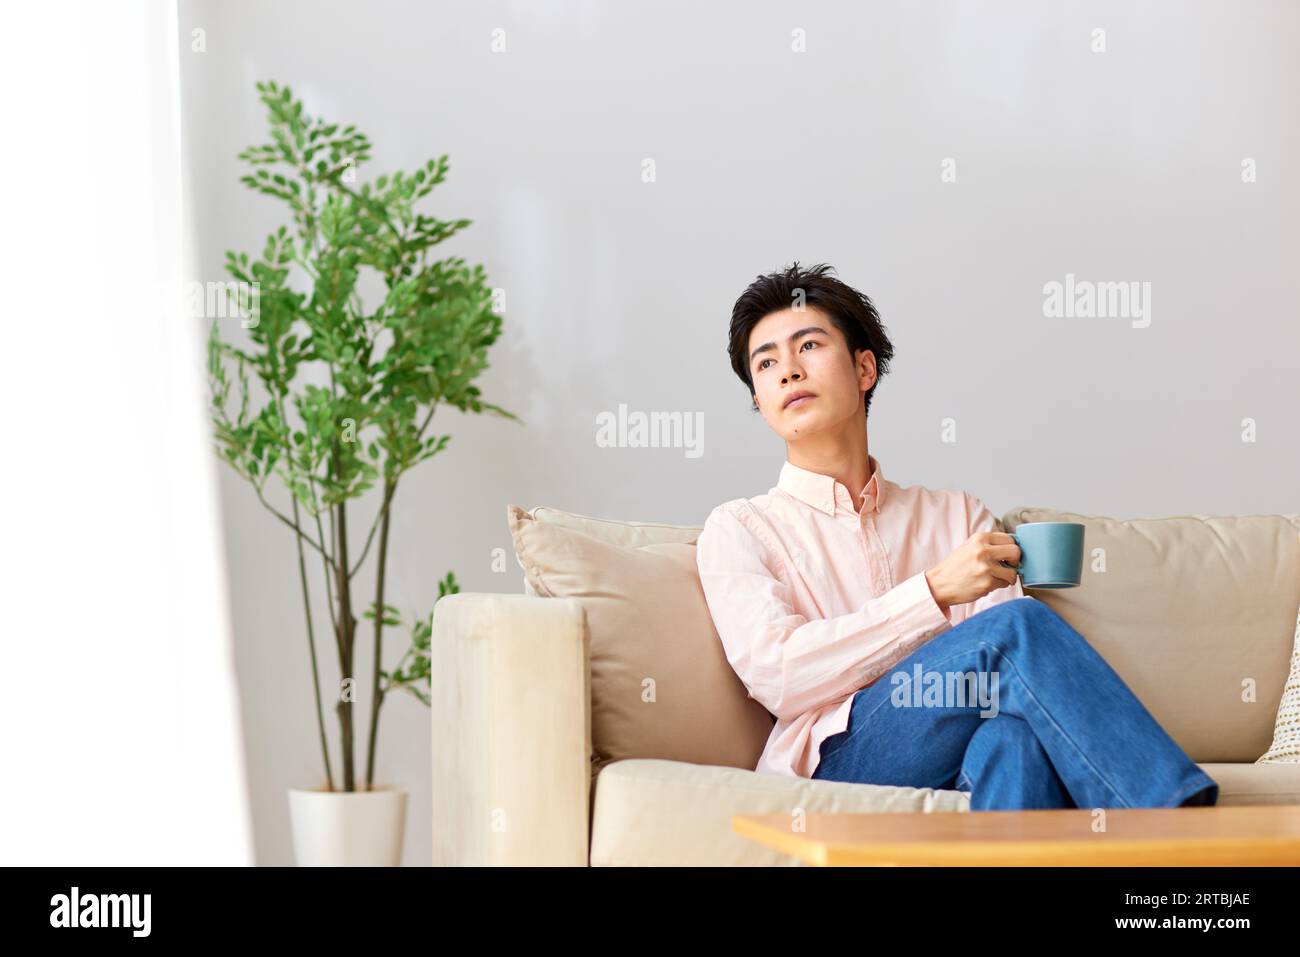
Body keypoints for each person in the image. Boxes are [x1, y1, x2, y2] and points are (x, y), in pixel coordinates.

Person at [694, 262, 1218, 810]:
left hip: (960, 747)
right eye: (767, 362)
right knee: (1013, 629)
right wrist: (933, 592)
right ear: (758, 397)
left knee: (1013, 742)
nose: (788, 371)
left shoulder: (956, 516)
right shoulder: (740, 528)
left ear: (864, 368)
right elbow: (781, 676)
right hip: (837, 763)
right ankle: (1181, 829)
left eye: (808, 346)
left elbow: (1010, 692)